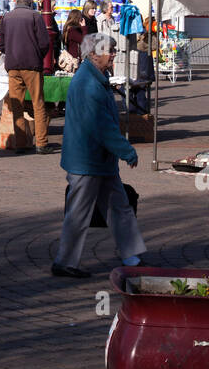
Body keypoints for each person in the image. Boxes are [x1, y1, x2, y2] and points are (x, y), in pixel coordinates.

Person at [52, 33, 147, 278]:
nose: (113, 54)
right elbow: (102, 126)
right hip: (87, 160)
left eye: (114, 50)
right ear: (94, 54)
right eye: (109, 51)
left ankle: (131, 254)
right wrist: (126, 151)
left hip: (99, 160)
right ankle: (64, 262)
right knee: (79, 213)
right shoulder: (88, 83)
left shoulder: (96, 77)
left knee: (119, 206)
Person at [0, 0, 52, 153]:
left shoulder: (7, 17)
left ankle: (20, 143)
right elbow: (44, 43)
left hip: (13, 65)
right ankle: (41, 143)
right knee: (38, 104)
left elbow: (1, 44)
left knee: (17, 105)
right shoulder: (35, 16)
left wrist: (11, 53)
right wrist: (37, 55)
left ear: (16, 0)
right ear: (30, 2)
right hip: (32, 65)